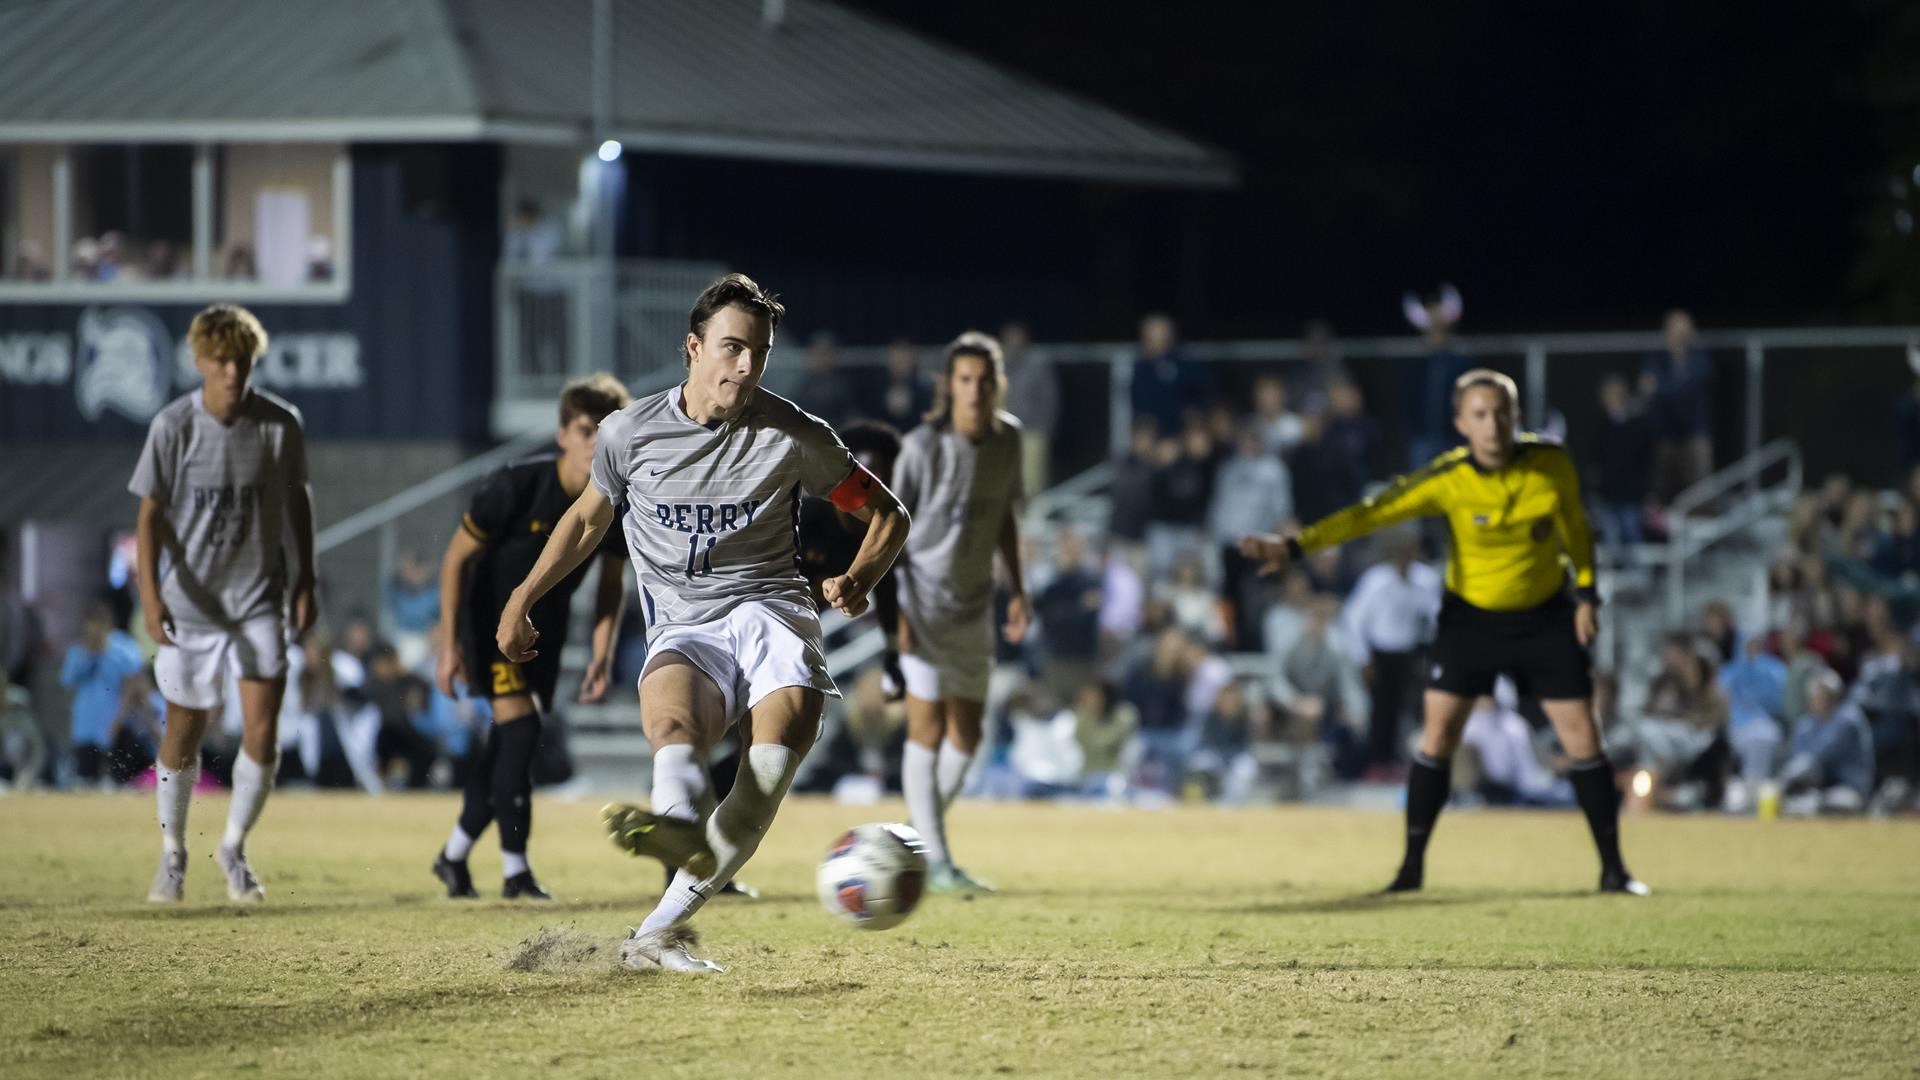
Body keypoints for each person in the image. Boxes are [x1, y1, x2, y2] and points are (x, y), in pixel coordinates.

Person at [504, 274, 908, 973]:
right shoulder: (628, 433)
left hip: (772, 612)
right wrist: (522, 598)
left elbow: (888, 515)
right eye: (732, 348)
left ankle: (660, 912)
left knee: (767, 768)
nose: (746, 366)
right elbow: (587, 522)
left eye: (760, 352)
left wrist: (859, 578)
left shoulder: (794, 433)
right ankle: (673, 853)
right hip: (683, 625)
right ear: (693, 347)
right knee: (673, 731)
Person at [1241, 368, 1647, 895]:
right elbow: (1373, 513)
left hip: (1544, 615)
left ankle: (1615, 870)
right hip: (1470, 619)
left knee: (1583, 738)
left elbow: (1576, 529)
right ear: (1461, 423)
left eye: (1501, 412)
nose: (1492, 424)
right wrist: (1296, 547)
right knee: (1437, 738)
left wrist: (1587, 595)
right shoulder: (1449, 477)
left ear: (1517, 416)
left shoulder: (1551, 465)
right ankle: (1410, 869)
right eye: (1480, 414)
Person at [130, 304, 317, 903]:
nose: (232, 371)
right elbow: (148, 518)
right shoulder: (172, 426)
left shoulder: (280, 424)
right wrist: (151, 597)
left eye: (241, 360)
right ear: (199, 361)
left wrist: (306, 578)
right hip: (191, 603)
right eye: (220, 360)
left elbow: (297, 500)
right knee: (185, 727)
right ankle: (173, 852)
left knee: (262, 729)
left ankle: (233, 848)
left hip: (260, 597)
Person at [431, 373, 632, 901]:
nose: (595, 443)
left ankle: (452, 857)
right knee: (521, 734)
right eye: (586, 431)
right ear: (562, 434)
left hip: (545, 632)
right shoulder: (515, 486)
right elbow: (455, 560)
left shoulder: (613, 504)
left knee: (507, 746)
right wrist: (449, 645)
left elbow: (611, 585)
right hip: (489, 626)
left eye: (606, 433)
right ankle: (516, 872)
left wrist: (602, 653)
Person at [891, 331, 1028, 894]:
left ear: (998, 385)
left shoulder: (1009, 440)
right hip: (920, 602)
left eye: (984, 380)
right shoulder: (921, 447)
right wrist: (895, 613)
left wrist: (1018, 588)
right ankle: (938, 861)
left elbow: (1005, 515)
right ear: (948, 385)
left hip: (974, 606)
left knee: (968, 735)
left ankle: (913, 837)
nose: (975, 390)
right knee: (926, 727)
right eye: (965, 380)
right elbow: (890, 530)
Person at [1338, 533, 1442, 770]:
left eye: (1409, 554)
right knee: (1382, 709)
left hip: (1412, 652)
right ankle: (1378, 760)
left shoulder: (1426, 580)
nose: (1404, 560)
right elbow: (1353, 619)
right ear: (1391, 556)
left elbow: (1436, 616)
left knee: (1410, 707)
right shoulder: (1375, 581)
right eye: (1399, 555)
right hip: (1379, 654)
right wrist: (1363, 659)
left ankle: (1403, 758)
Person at [59, 600, 145, 786]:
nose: (95, 629)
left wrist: (119, 718)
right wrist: (89, 653)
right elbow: (68, 683)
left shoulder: (123, 647)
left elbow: (133, 685)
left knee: (120, 781)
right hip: (85, 727)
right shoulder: (77, 652)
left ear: (109, 624)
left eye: (99, 624)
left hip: (118, 725)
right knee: (86, 782)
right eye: (91, 624)